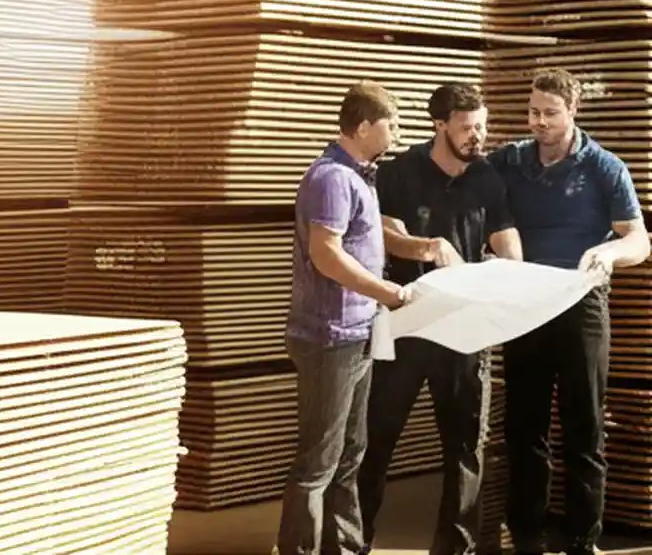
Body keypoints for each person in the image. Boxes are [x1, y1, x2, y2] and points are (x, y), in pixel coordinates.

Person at [356, 83, 524, 555]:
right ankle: (354, 542)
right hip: (406, 325)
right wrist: (424, 247)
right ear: (440, 125)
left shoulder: (487, 177)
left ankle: (457, 549)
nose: (478, 136)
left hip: (465, 332)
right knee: (375, 439)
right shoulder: (398, 173)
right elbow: (380, 232)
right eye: (468, 128)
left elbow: (505, 233)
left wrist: (510, 268)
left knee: (465, 448)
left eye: (482, 126)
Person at [487, 68, 649, 555]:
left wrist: (610, 254)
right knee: (524, 425)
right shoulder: (510, 161)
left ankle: (583, 540)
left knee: (584, 425)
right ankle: (527, 536)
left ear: (573, 111)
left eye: (550, 114)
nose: (539, 122)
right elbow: (468, 193)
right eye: (533, 112)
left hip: (582, 304)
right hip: (526, 303)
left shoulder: (604, 167)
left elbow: (638, 239)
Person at [277, 80, 414, 555]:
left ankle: (348, 548)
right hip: (328, 337)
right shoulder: (332, 178)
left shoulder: (360, 177)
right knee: (319, 460)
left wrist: (418, 248)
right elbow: (327, 255)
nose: (396, 133)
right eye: (390, 124)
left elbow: (367, 239)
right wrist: (386, 292)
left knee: (350, 455)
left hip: (357, 334)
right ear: (361, 127)